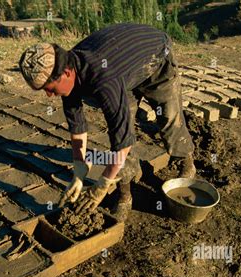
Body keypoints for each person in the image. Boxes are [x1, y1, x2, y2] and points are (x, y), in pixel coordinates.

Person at [19, 23, 196, 222]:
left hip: (155, 58)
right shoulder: (69, 68)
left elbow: (122, 141)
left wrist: (102, 185)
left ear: (66, 73)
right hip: (123, 72)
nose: (50, 96)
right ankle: (125, 194)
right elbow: (77, 126)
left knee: (170, 119)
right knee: (123, 128)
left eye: (50, 89)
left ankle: (186, 164)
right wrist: (79, 170)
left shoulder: (103, 79)